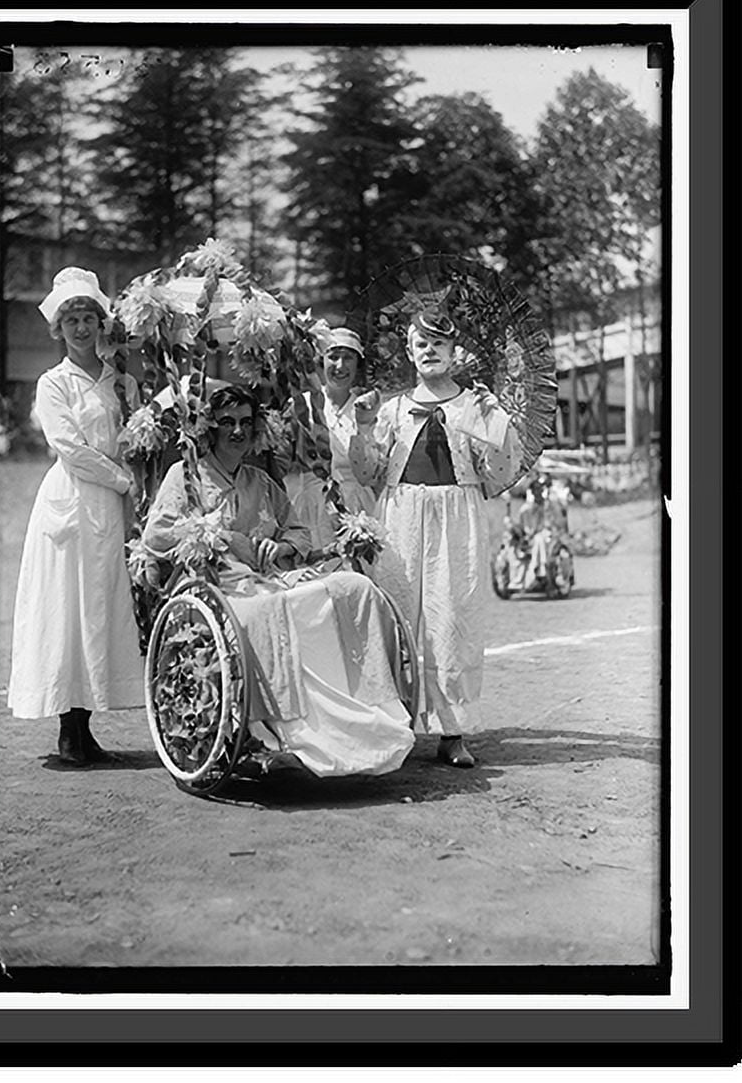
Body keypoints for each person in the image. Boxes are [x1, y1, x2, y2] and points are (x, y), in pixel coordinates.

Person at [142, 383, 414, 778]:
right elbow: (157, 535)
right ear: (209, 429)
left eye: (245, 424)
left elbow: (299, 531)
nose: (237, 432)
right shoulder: (186, 477)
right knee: (262, 611)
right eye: (226, 423)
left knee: (354, 588)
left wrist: (281, 546)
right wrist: (219, 537)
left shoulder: (260, 481)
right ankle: (278, 731)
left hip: (269, 578)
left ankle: (371, 708)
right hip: (214, 584)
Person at [347, 308, 524, 768]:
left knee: (452, 616)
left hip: (455, 518)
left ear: (453, 352)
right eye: (420, 344)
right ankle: (395, 720)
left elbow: (495, 473)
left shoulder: (473, 405)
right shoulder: (393, 409)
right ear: (409, 352)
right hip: (401, 516)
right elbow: (368, 473)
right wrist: (365, 427)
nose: (429, 351)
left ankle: (452, 731)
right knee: (398, 613)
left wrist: (494, 424)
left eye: (438, 344)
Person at [7, 267, 145, 765]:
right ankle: (69, 730)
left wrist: (135, 482)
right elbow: (69, 446)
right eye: (72, 321)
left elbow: (136, 439)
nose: (81, 329)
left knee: (100, 608)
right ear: (59, 330)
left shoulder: (122, 381)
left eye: (88, 318)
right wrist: (123, 478)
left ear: (100, 324)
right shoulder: (53, 383)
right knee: (69, 608)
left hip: (111, 505)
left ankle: (87, 730)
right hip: (73, 500)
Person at [283, 327, 377, 553]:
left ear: (358, 364)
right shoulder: (300, 404)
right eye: (333, 357)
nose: (340, 366)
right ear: (320, 361)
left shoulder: (368, 407)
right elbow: (284, 459)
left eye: (348, 358)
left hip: (357, 506)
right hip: (311, 504)